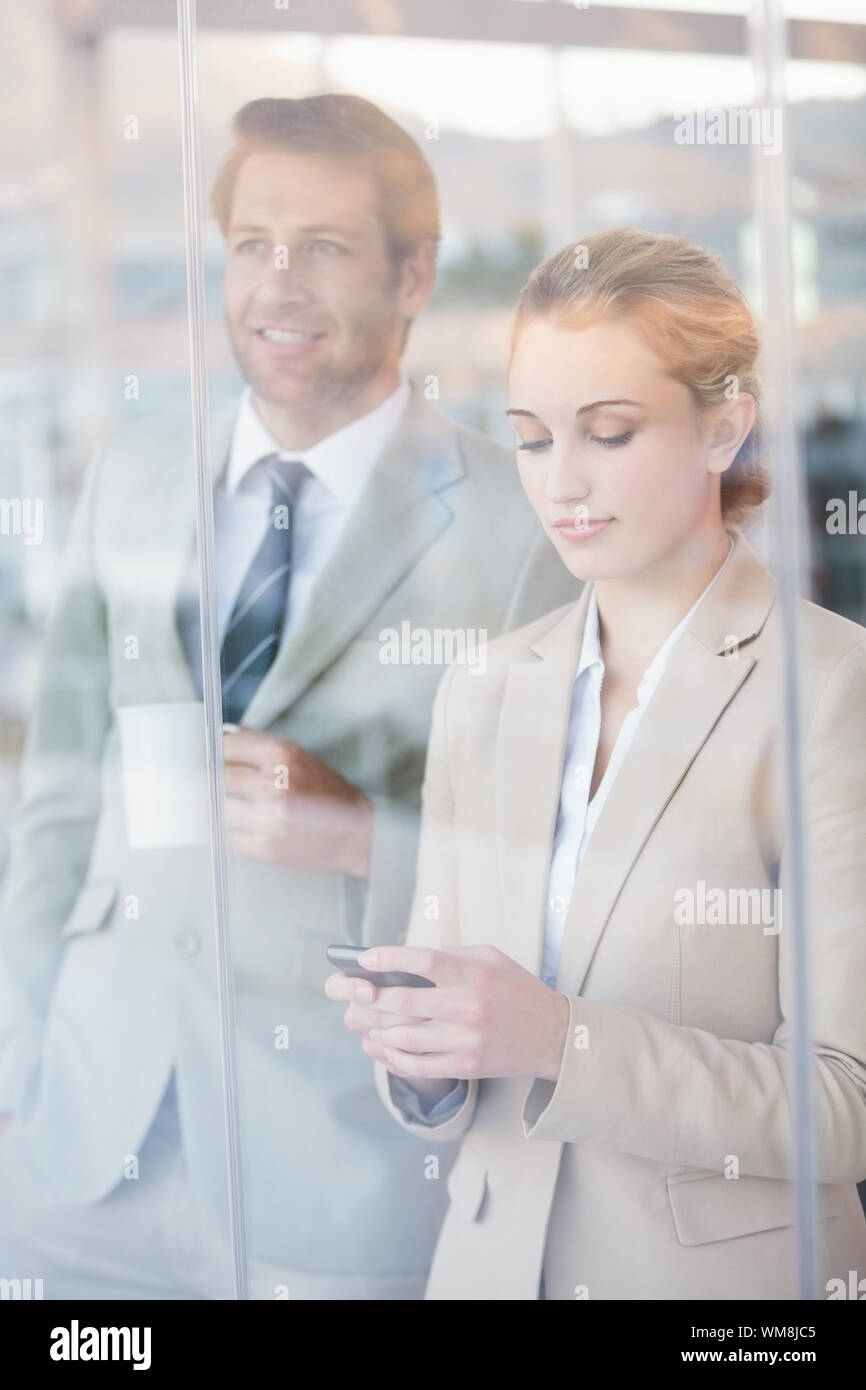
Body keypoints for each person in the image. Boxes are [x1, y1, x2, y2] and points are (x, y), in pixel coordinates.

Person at [0, 95, 576, 1300]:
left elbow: (559, 874)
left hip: (332, 1170)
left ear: (412, 277)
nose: (277, 283)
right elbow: (58, 793)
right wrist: (22, 1064)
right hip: (81, 1147)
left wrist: (359, 829)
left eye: (322, 246)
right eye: (254, 243)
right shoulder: (136, 471)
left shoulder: (521, 528)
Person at [327, 227, 866, 1300]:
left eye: (607, 432)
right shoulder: (481, 691)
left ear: (723, 427)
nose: (561, 482)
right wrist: (423, 1058)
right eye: (530, 439)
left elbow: (845, 1106)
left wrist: (556, 1039)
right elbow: (456, 1053)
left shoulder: (833, 691)